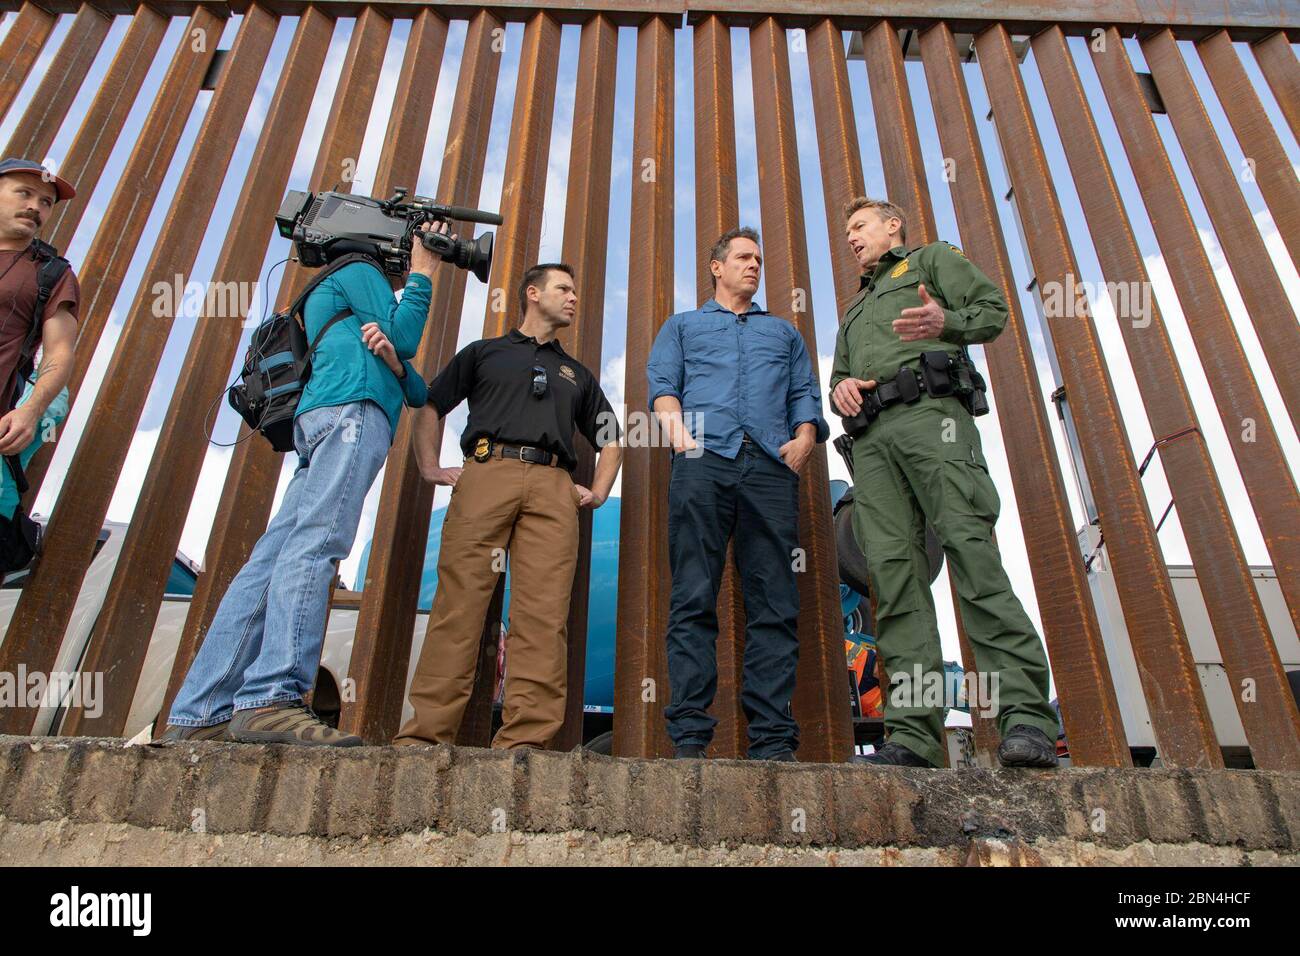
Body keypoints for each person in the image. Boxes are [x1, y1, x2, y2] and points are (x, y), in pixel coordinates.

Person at [157, 224, 444, 746]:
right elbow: (403, 340)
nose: (410, 258)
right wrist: (424, 277)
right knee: (318, 544)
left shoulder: (329, 290)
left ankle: (201, 712)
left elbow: (417, 385)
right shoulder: (361, 271)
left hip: (322, 419)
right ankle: (272, 696)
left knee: (271, 560)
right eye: (408, 249)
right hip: (352, 413)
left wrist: (395, 361)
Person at [828, 197, 1058, 768]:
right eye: (847, 231)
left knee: (972, 555)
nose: (852, 237)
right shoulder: (853, 312)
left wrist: (946, 322)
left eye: (860, 226)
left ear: (892, 225)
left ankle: (1026, 718)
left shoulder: (930, 261)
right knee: (896, 584)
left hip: (934, 422)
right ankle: (913, 736)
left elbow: (993, 310)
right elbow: (837, 377)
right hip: (873, 443)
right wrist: (841, 390)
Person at [395, 262, 623, 750]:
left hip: (553, 484)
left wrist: (599, 491)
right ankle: (425, 737)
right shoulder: (484, 353)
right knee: (459, 605)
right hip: (486, 473)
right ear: (532, 294)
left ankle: (524, 743)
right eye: (564, 288)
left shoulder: (576, 374)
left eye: (576, 289)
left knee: (543, 614)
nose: (573, 297)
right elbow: (431, 404)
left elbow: (612, 439)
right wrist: (430, 467)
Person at [646, 226, 829, 762]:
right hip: (704, 462)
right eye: (744, 257)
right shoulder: (681, 327)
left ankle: (772, 740)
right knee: (693, 595)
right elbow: (663, 386)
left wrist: (805, 438)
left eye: (759, 259)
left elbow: (803, 391)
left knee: (774, 601)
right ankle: (688, 737)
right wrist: (682, 441)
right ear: (716, 266)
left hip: (771, 467)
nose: (754, 265)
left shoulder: (784, 334)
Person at [0, 158, 78, 460]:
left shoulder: (52, 274)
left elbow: (59, 351)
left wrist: (30, 411)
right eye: (24, 193)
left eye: (46, 202)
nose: (35, 206)